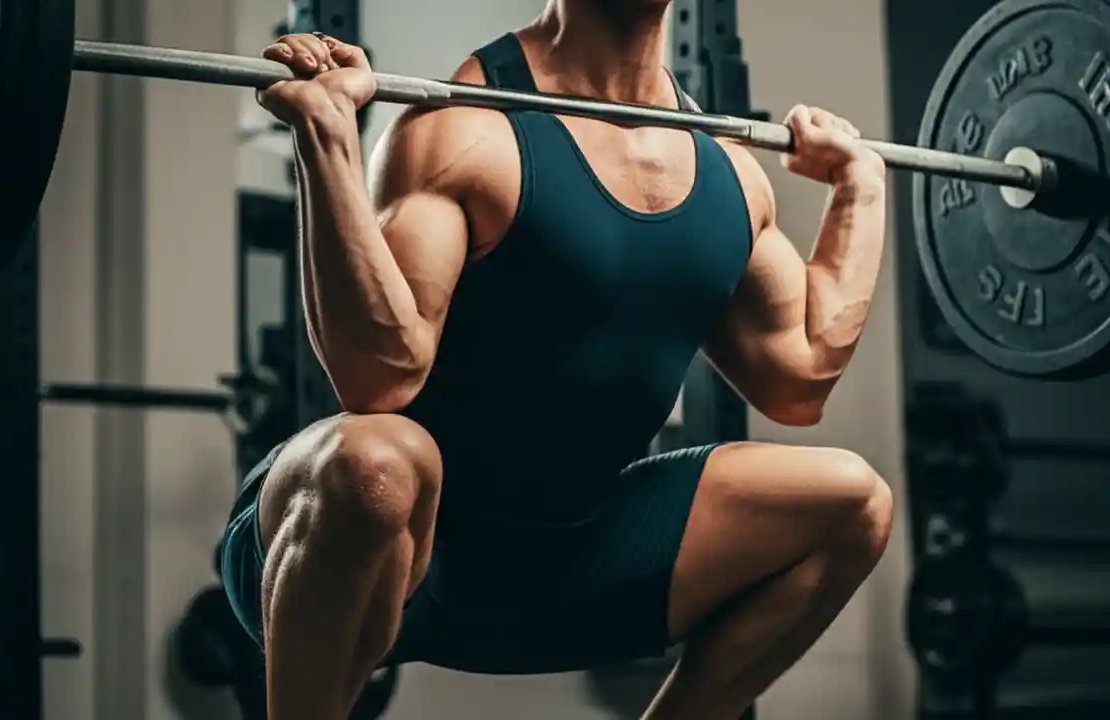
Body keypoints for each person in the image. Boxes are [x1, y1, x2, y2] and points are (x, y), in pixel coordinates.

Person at [219, 1, 893, 718]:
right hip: (403, 557)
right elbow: (378, 377)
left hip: (569, 564)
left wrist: (862, 188)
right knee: (376, 462)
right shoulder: (464, 129)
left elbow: (799, 378)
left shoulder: (727, 172)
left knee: (852, 504)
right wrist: (326, 137)